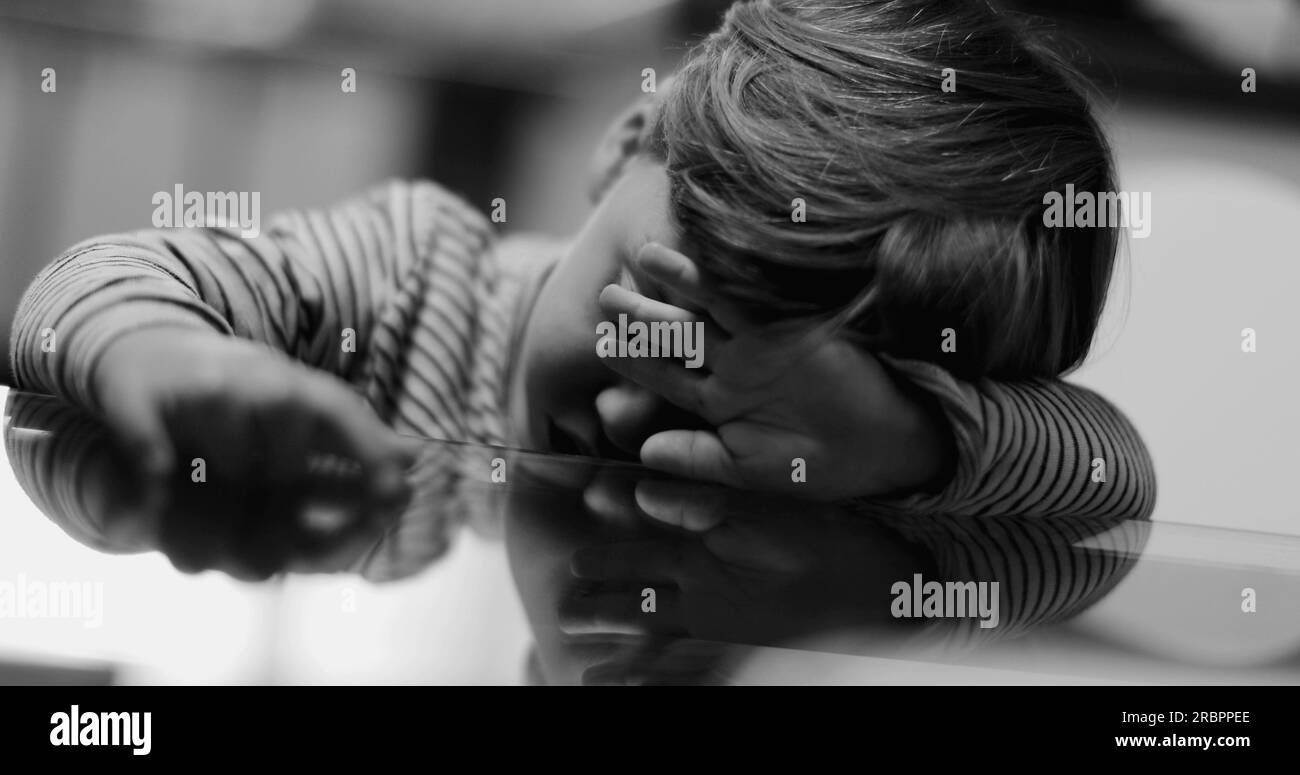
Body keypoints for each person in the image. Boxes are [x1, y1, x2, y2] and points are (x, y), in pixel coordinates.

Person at [8, 0, 1155, 523]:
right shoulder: (415, 276)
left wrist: (903, 441)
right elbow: (78, 290)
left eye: (721, 410)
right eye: (643, 319)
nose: (625, 418)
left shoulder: (891, 455)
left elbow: (1113, 472)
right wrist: (177, 363)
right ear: (619, 151)